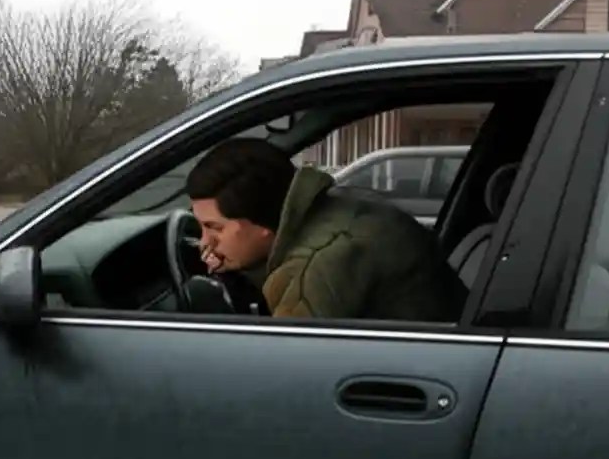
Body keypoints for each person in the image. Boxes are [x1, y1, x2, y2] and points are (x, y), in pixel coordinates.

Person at [184, 137, 464, 321]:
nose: (205, 242)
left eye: (214, 228)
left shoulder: (319, 263)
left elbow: (281, 378)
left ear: (261, 225)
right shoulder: (336, 208)